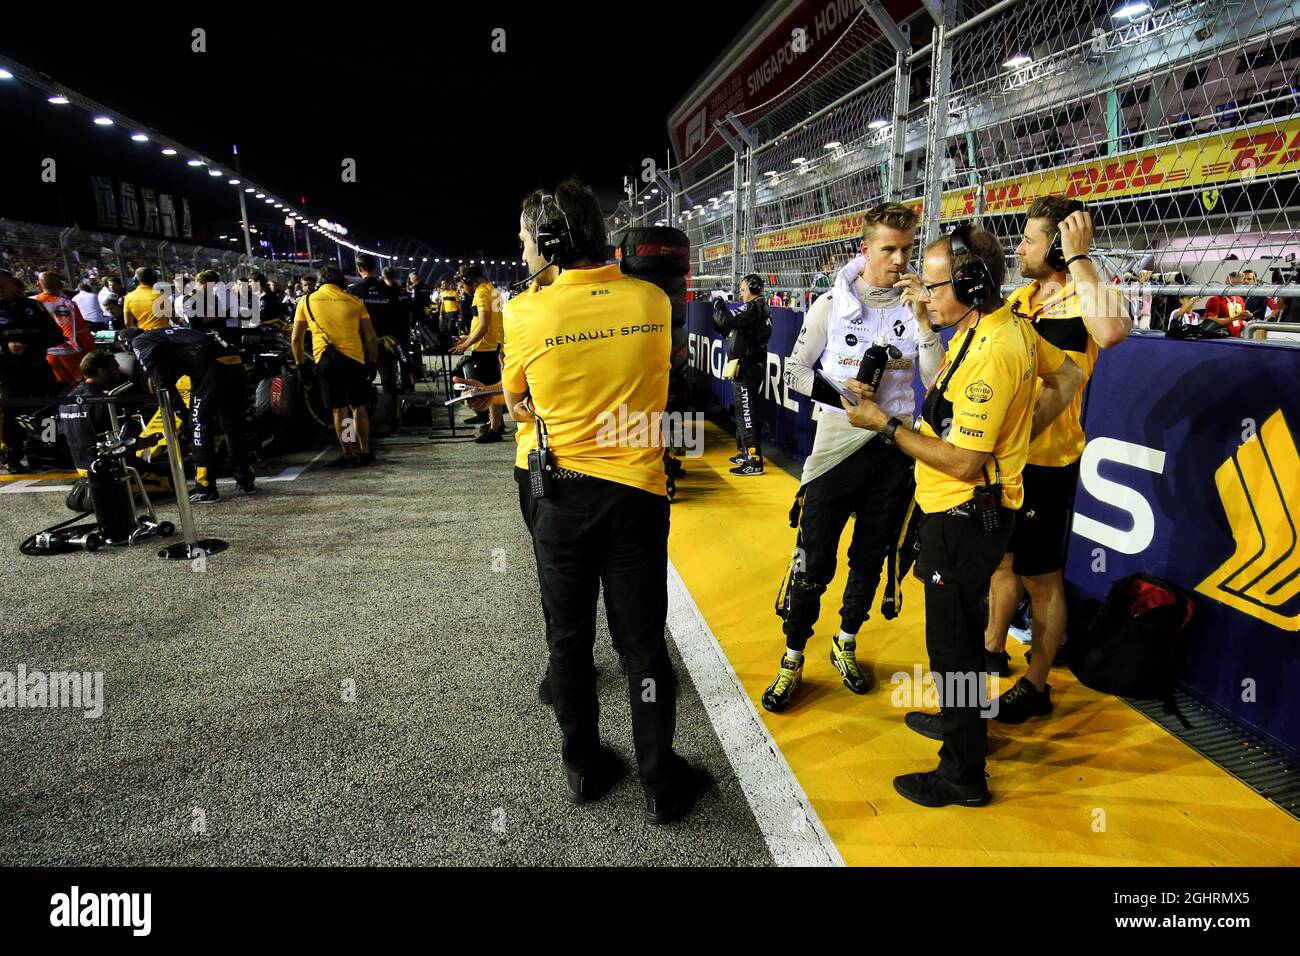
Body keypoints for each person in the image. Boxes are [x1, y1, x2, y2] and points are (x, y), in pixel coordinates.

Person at [841, 223, 1082, 807]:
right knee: (965, 642)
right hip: (965, 513)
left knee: (951, 649)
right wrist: (1019, 434)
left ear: (971, 283)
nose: (922, 295)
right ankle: (964, 727)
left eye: (932, 286)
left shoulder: (995, 350)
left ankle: (962, 773)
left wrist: (886, 426)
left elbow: (965, 461)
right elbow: (1069, 374)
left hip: (963, 514)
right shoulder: (1000, 326)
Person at [501, 178, 712, 823]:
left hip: (560, 495)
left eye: (527, 240)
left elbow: (516, 404)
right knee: (643, 646)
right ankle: (661, 781)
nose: (523, 250)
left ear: (550, 242)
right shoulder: (651, 299)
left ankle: (585, 768)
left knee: (568, 640)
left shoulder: (525, 312)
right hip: (637, 495)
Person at [764, 203, 943, 712]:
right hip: (834, 451)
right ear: (865, 249)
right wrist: (837, 392)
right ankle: (793, 656)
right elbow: (794, 370)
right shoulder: (829, 304)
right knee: (812, 560)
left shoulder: (918, 307)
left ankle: (846, 642)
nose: (899, 259)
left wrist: (925, 319)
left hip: (893, 450)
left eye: (907, 249)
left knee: (870, 556)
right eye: (889, 248)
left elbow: (938, 378)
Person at [981, 198, 1128, 722]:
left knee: (1041, 576)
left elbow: (1111, 334)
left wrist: (1082, 259)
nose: (1019, 247)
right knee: (1002, 562)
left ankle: (1037, 685)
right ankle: (991, 650)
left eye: (1029, 240)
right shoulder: (1022, 298)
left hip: (1049, 462)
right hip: (1007, 458)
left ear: (1058, 247)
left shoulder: (1086, 298)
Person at [127, 325, 256, 501]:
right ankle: (245, 479)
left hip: (210, 365)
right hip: (233, 361)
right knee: (233, 423)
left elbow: (161, 382)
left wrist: (180, 410)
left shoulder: (139, 342)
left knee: (198, 424)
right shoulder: (167, 333)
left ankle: (205, 487)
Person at [292, 265, 379, 468]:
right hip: (354, 360)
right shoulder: (355, 301)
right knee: (359, 407)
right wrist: (373, 361)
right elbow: (371, 337)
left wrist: (300, 365)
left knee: (339, 410)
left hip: (326, 360)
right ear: (341, 280)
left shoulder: (306, 301)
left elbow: (296, 339)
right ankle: (365, 450)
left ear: (320, 280)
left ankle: (348, 454)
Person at [0, 269, 63, 471]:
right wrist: (5, 348)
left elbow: (56, 335)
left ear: (12, 283)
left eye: (2, 285)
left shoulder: (33, 306)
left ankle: (48, 450)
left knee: (48, 411)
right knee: (13, 413)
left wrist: (35, 345)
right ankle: (14, 455)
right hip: (10, 371)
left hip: (38, 367)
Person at [712, 273, 771, 476]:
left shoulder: (753, 307)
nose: (741, 294)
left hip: (747, 366)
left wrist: (718, 302)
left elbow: (725, 320)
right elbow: (725, 325)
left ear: (754, 288)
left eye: (743, 289)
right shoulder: (759, 308)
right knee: (744, 409)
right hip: (749, 365)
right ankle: (746, 453)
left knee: (746, 411)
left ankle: (754, 460)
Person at [347, 255, 404, 436]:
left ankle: (364, 423)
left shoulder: (353, 292)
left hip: (362, 344)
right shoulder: (389, 291)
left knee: (359, 385)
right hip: (385, 343)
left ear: (359, 269)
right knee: (389, 385)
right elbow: (400, 319)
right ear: (375, 268)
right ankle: (391, 424)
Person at [450, 263, 505, 443]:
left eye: (462, 283)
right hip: (493, 344)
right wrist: (468, 336)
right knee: (490, 385)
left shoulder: (481, 293)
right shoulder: (493, 289)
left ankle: (494, 427)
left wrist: (465, 344)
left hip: (484, 347)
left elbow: (483, 324)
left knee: (486, 387)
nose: (462, 288)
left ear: (468, 280)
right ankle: (493, 422)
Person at [35, 272, 97, 385]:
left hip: (48, 353)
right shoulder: (68, 304)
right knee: (82, 383)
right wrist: (92, 352)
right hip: (70, 351)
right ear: (60, 285)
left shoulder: (33, 303)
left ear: (38, 285)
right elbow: (81, 332)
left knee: (63, 386)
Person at [122, 267, 171, 331]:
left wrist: (139, 333)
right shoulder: (162, 295)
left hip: (144, 335)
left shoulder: (128, 297)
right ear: (154, 279)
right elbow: (172, 317)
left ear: (136, 280)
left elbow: (127, 323)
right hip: (162, 333)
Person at [1204, 271, 1251, 336]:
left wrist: (1245, 320)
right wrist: (1236, 318)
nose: (1237, 287)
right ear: (1227, 282)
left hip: (1237, 337)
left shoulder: (1239, 299)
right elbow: (1211, 321)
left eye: (1240, 284)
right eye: (1235, 284)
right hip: (1221, 338)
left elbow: (1239, 319)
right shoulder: (1215, 300)